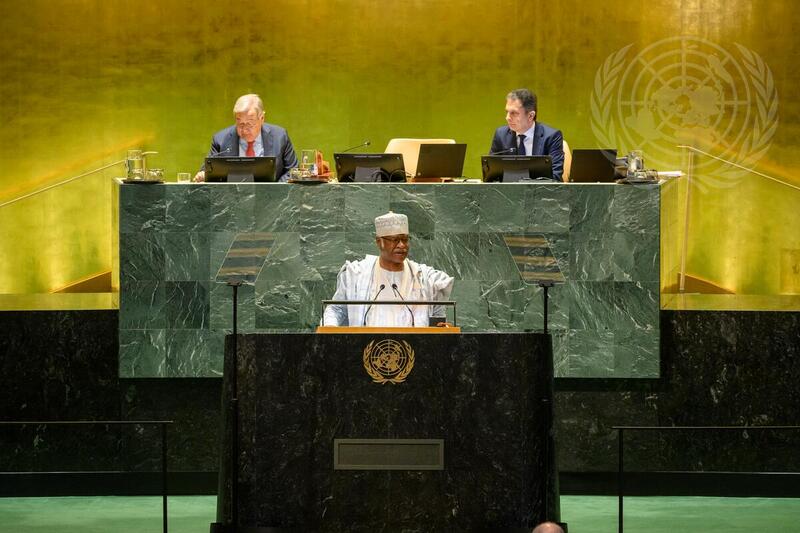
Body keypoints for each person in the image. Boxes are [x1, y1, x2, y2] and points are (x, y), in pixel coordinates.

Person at [322, 212, 454, 327]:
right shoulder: (356, 274)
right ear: (379, 242)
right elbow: (337, 309)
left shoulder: (426, 278)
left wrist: (442, 329)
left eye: (405, 239)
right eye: (395, 240)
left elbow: (438, 319)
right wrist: (329, 327)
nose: (402, 245)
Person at [194, 93, 298, 182]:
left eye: (249, 124)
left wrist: (272, 192)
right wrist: (203, 176)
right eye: (240, 124)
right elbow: (207, 172)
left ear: (262, 118)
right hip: (232, 199)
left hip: (273, 200)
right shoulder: (220, 140)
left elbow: (292, 171)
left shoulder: (279, 137)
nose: (244, 130)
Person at [490, 88, 565, 182]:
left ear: (530, 116)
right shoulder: (501, 135)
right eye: (507, 112)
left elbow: (555, 177)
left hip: (542, 194)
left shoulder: (551, 136)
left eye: (514, 113)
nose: (507, 118)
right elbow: (491, 176)